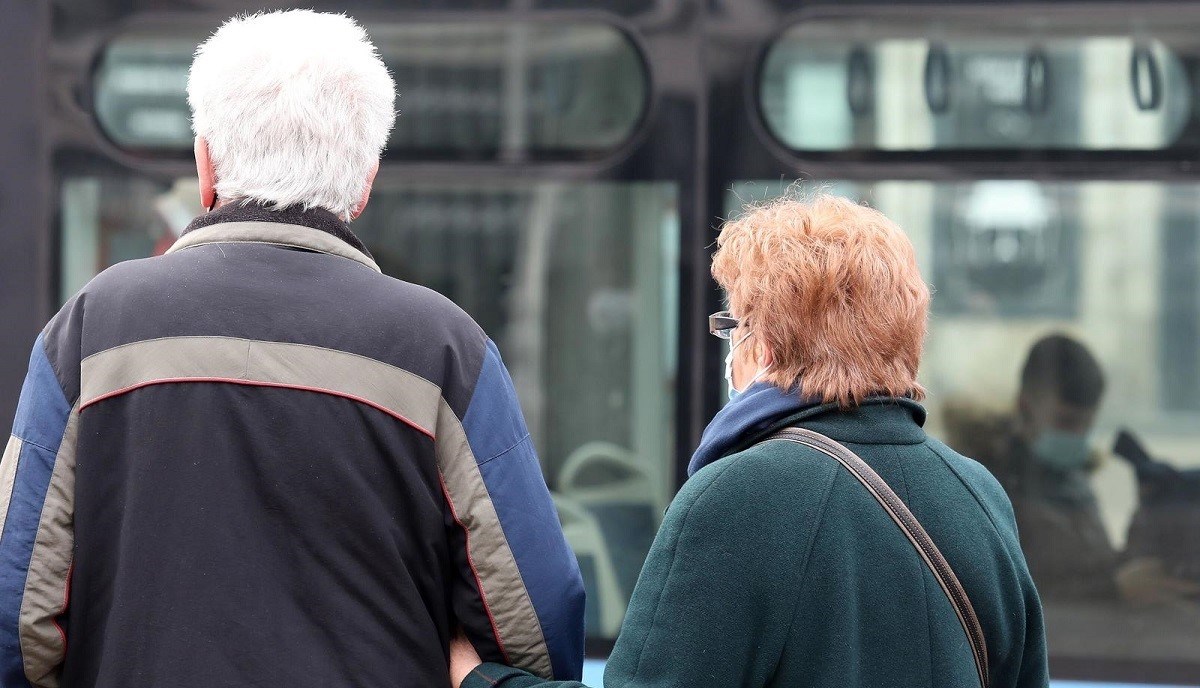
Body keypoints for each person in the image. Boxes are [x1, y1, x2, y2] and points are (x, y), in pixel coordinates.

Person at [0, 11, 583, 688]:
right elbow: (535, 628)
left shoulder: (91, 329)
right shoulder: (446, 349)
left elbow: (19, 609)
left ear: (206, 161)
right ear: (365, 180)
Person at [451, 193, 1048, 688]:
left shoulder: (739, 498)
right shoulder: (978, 494)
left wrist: (478, 680)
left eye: (730, 326)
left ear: (761, 346)